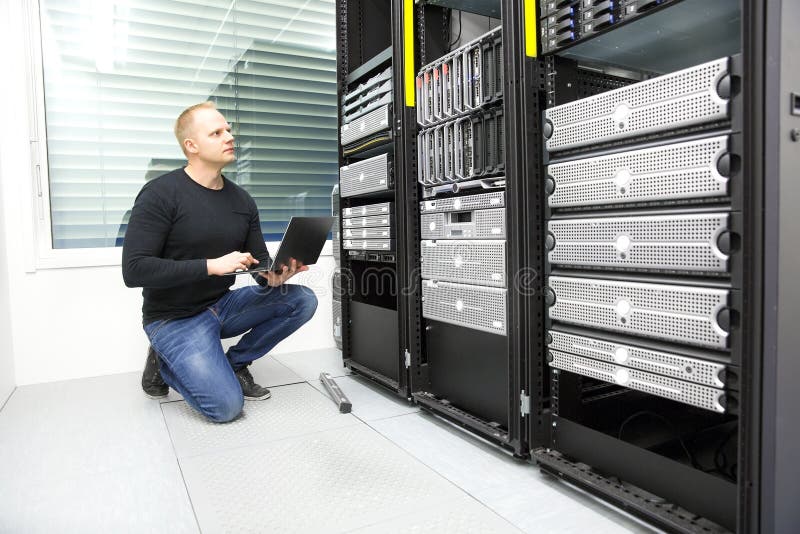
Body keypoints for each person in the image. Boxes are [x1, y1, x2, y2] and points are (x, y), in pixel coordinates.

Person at [122, 101, 318, 423]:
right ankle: (163, 359)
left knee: (302, 300)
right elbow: (134, 270)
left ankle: (236, 363)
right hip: (173, 319)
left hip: (221, 305)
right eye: (216, 132)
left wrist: (275, 276)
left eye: (228, 129)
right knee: (225, 408)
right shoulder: (160, 194)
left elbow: (259, 265)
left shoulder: (241, 200)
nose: (229, 136)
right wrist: (211, 266)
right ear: (192, 146)